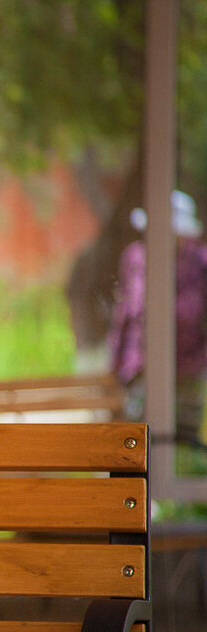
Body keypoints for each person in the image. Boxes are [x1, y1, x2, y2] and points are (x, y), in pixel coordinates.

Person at [109, 189, 207, 447]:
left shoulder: (199, 261)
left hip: (187, 364)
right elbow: (125, 310)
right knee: (136, 439)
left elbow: (194, 312)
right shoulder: (136, 256)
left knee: (184, 437)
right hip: (141, 365)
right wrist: (117, 361)